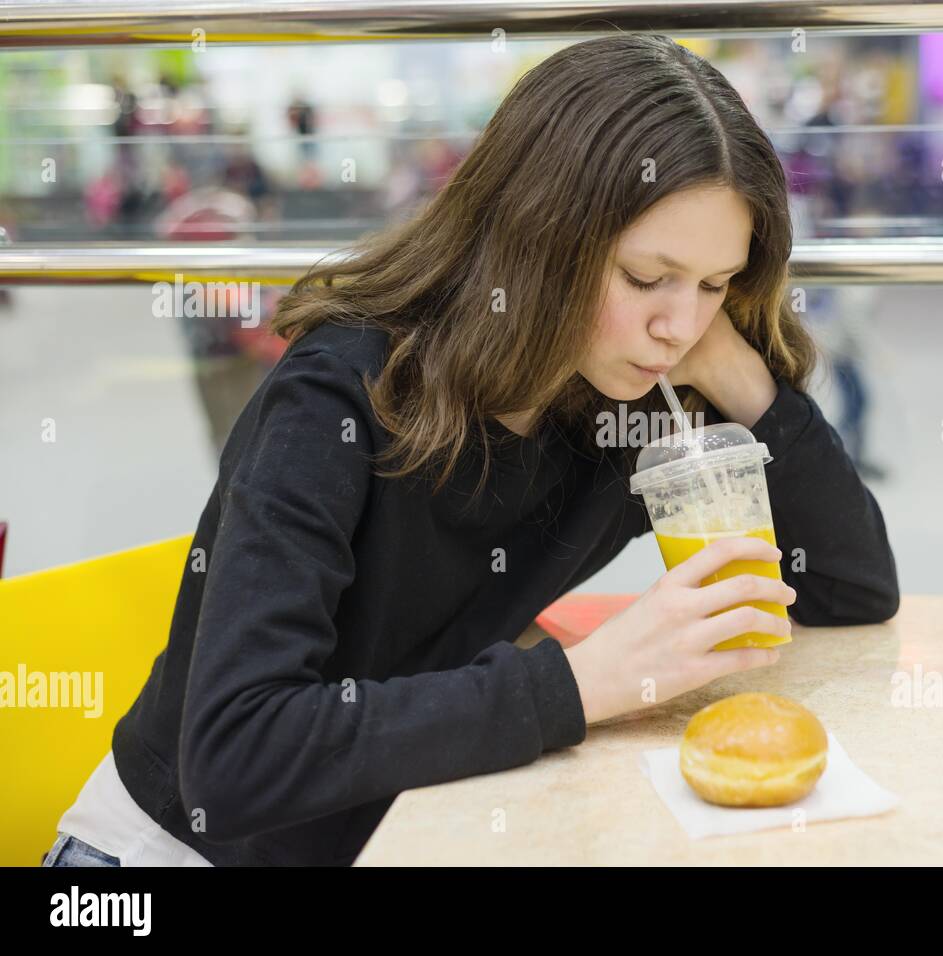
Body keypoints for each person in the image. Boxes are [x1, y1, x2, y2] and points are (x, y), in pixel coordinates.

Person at [44, 33, 899, 868]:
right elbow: (235, 759)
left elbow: (850, 586)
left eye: (714, 285)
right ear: (539, 240)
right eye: (647, 278)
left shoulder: (626, 396)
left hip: (397, 828)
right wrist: (583, 683)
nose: (677, 327)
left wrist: (746, 377)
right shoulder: (341, 394)